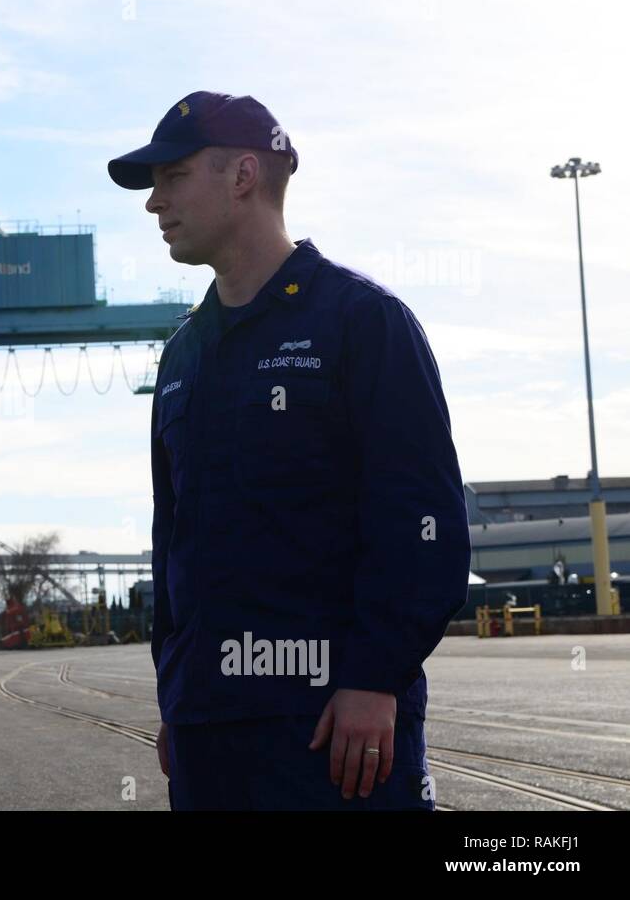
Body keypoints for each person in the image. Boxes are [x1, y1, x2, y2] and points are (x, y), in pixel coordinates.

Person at [109, 92, 469, 810]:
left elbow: (421, 522)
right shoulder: (182, 355)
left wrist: (375, 676)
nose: (154, 203)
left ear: (243, 175)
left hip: (336, 733)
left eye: (172, 177)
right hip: (210, 730)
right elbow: (172, 543)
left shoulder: (364, 324)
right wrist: (178, 693)